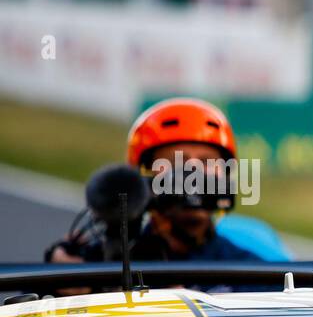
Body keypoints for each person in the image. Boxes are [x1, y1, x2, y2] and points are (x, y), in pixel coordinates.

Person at [46, 97, 289, 265]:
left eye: (206, 162)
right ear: (144, 178)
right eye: (177, 162)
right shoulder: (105, 263)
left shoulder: (249, 271)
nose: (193, 175)